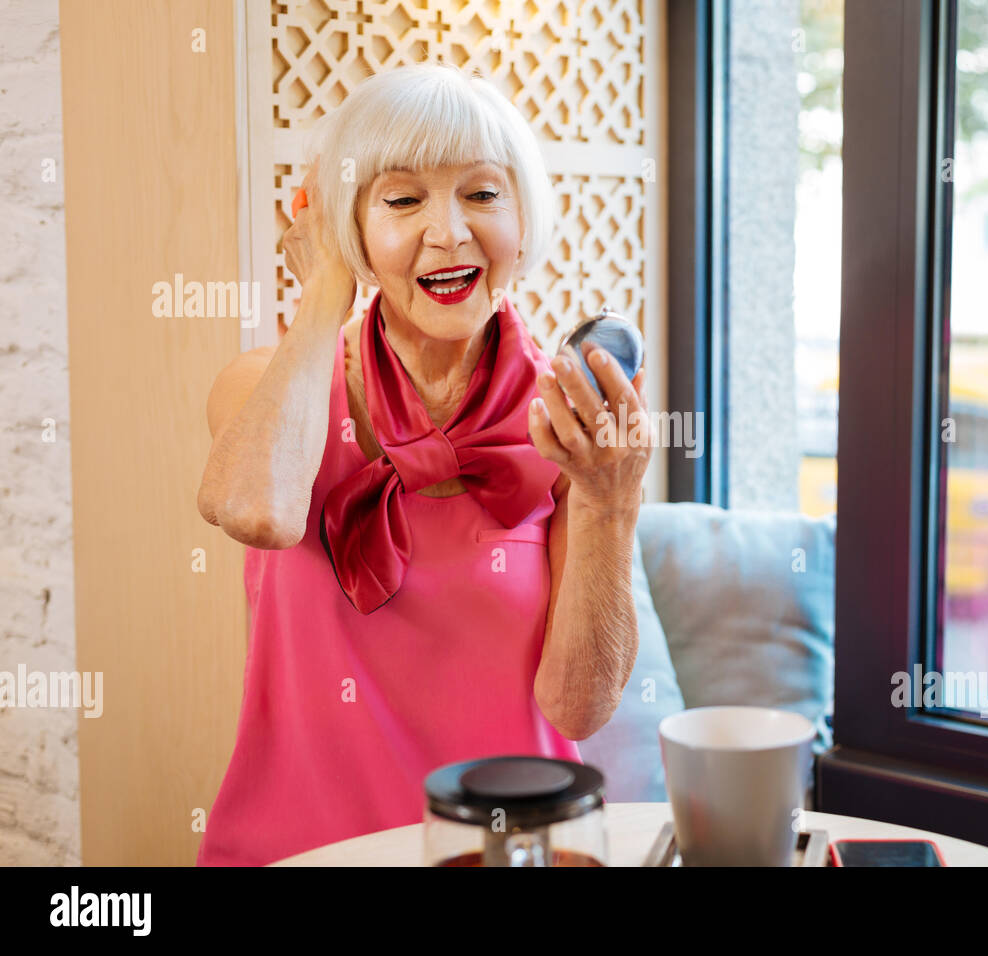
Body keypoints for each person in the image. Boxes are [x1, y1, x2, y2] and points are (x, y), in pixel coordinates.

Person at [194, 63, 649, 865]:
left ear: (521, 219)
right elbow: (259, 511)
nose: (449, 231)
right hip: (299, 854)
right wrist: (324, 293)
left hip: (504, 851)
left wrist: (609, 503)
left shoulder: (567, 426)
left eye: (482, 194)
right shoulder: (266, 388)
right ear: (350, 229)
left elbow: (577, 708)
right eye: (402, 199)